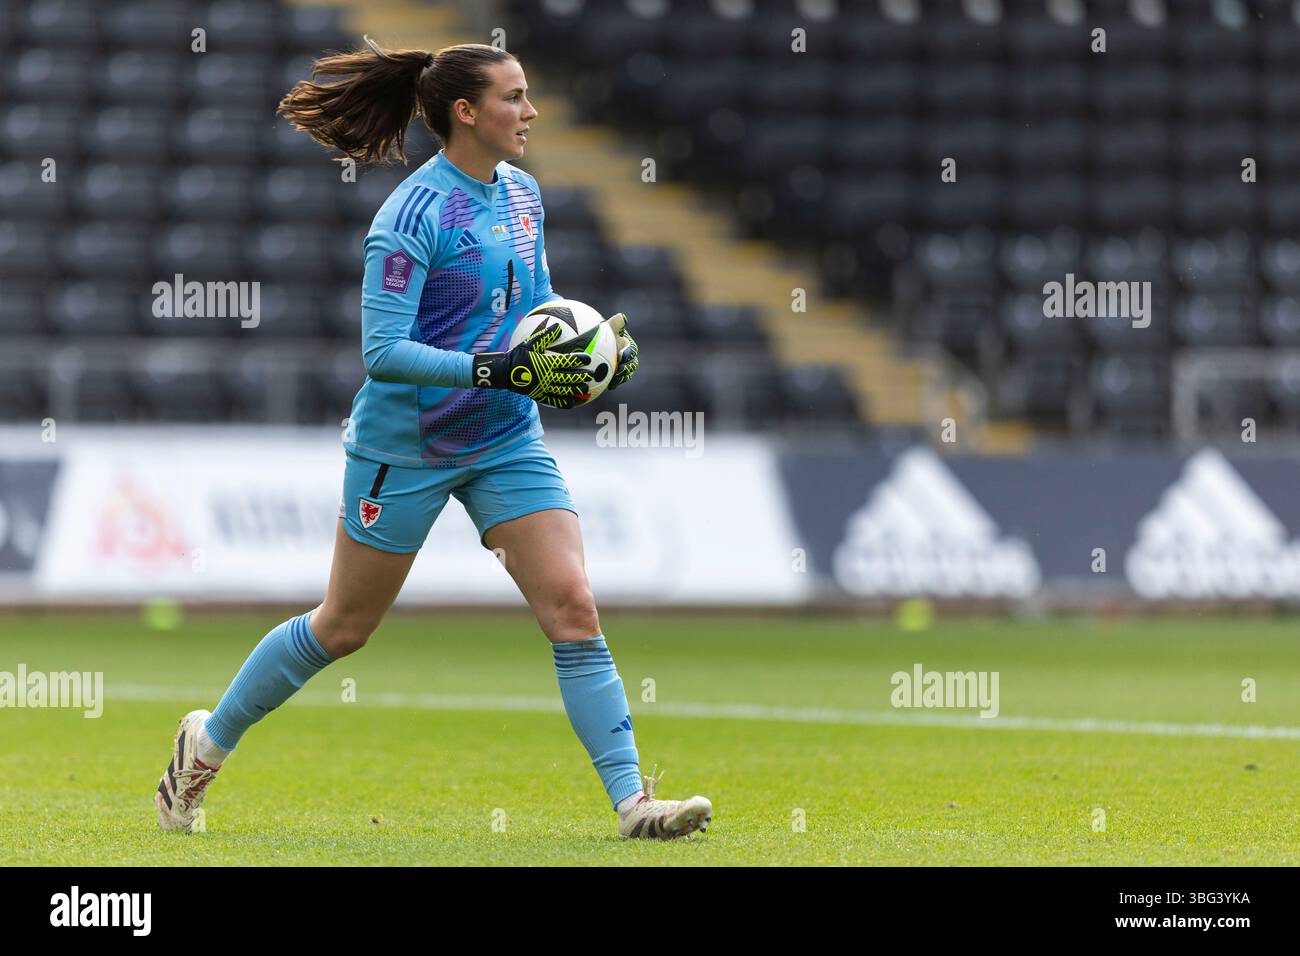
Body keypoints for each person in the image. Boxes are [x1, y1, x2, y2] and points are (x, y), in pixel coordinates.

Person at [152, 39, 711, 841]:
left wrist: (586, 358)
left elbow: (539, 306)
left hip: (506, 438)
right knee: (342, 628)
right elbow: (382, 352)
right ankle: (201, 752)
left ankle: (633, 805)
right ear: (466, 111)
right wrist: (497, 371)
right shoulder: (410, 216)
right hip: (406, 445)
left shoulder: (524, 196)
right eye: (515, 97)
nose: (531, 111)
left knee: (573, 606)